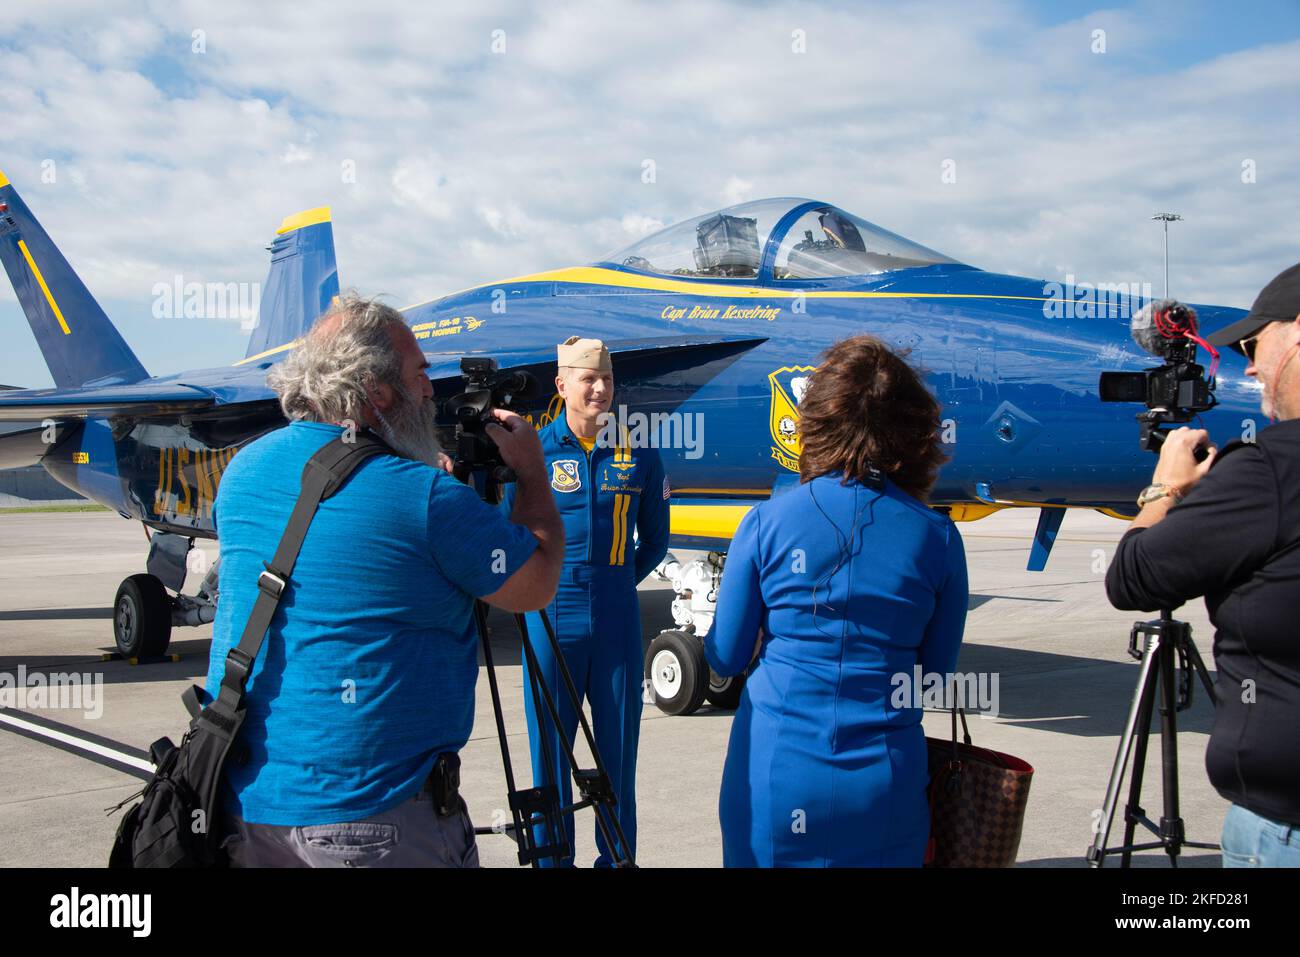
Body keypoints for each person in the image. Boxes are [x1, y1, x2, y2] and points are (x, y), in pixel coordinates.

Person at [206, 292, 563, 867]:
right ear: (377, 392)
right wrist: (530, 474)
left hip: (246, 809)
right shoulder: (424, 498)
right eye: (419, 375)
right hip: (373, 821)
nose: (430, 390)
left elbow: (341, 552)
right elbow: (536, 582)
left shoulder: (244, 468)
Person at [705, 334, 968, 867]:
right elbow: (936, 677)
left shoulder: (765, 523)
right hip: (884, 784)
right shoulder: (936, 537)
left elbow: (725, 657)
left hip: (776, 775)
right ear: (912, 431)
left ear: (818, 419)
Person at [1106, 263, 1300, 868]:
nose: (1248, 365)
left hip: (1285, 827)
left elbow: (1133, 577)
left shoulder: (1271, 469)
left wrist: (1165, 489)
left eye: (1254, 343)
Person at [500, 336, 670, 867]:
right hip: (549, 618)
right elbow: (507, 531)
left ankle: (616, 860)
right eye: (587, 379)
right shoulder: (531, 454)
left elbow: (656, 542)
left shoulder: (638, 453)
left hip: (617, 618)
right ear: (562, 385)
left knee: (618, 752)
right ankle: (554, 862)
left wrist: (615, 583)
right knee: (549, 751)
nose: (599, 389)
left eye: (607, 380)